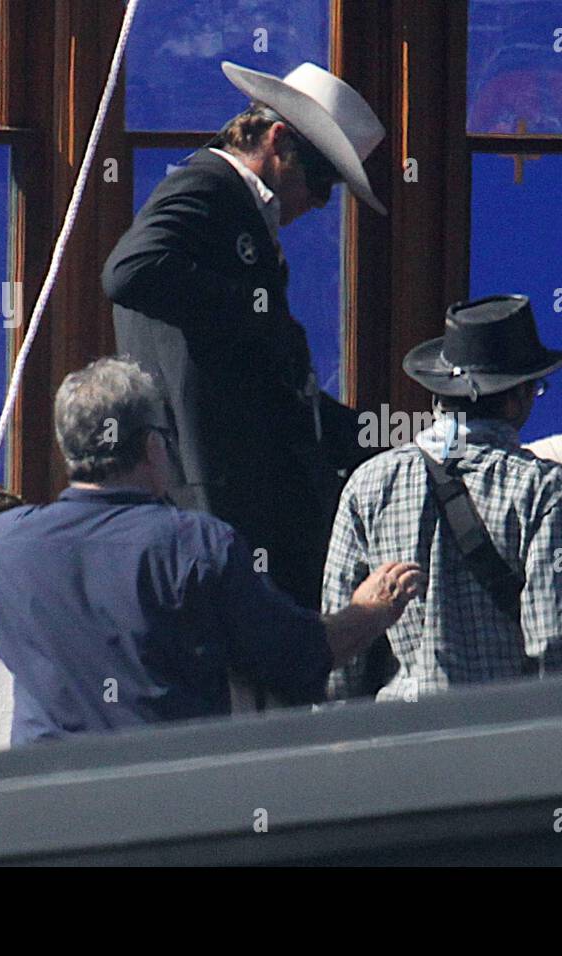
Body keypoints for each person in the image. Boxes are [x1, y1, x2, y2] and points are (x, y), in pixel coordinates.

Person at [0, 357, 422, 745]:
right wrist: (370, 610)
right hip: (167, 816)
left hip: (41, 824)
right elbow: (298, 656)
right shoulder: (194, 548)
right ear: (151, 446)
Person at [102, 61, 386, 612]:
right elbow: (128, 271)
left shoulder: (237, 209)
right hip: (210, 493)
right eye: (323, 180)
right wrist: (257, 314)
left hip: (238, 494)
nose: (323, 201)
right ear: (278, 139)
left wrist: (378, 441)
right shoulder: (208, 184)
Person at [324, 295, 562, 702]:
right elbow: (560, 651)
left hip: (393, 744)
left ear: (439, 395)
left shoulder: (367, 484)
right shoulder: (547, 490)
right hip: (499, 746)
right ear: (516, 397)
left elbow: (339, 655)